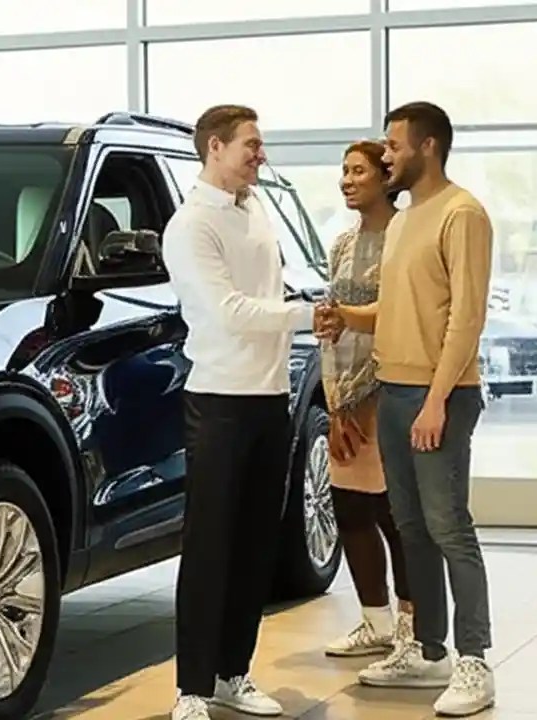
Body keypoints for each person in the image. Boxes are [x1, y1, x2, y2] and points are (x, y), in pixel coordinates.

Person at [317, 101, 495, 717]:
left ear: (427, 147)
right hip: (393, 390)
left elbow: (467, 317)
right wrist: (346, 318)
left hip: (437, 395)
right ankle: (428, 651)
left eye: (393, 145)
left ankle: (474, 659)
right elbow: (393, 308)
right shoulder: (404, 222)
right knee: (411, 525)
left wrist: (438, 400)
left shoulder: (462, 213)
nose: (385, 155)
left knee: (449, 527)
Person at [162, 104, 317, 720]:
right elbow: (229, 311)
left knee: (256, 546)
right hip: (220, 403)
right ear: (216, 148)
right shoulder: (191, 225)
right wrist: (311, 316)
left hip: (269, 399)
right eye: (251, 144)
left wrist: (300, 313)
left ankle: (233, 673)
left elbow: (268, 296)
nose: (261, 153)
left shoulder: (254, 208)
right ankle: (191, 689)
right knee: (210, 549)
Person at [318, 140, 416, 659]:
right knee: (349, 507)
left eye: (358, 171)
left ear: (384, 177)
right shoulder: (341, 244)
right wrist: (336, 404)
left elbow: (401, 311)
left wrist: (366, 399)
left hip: (389, 391)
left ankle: (411, 627)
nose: (347, 180)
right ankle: (373, 621)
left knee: (392, 512)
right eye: (344, 171)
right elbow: (334, 324)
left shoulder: (406, 235)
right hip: (346, 396)